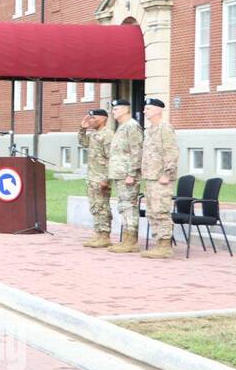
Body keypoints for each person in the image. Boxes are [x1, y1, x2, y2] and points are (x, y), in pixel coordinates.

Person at [140, 98, 181, 260]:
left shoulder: (165, 128)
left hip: (161, 178)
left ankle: (165, 246)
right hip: (150, 177)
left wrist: (167, 174)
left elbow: (171, 152)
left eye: (148, 108)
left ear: (158, 110)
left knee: (161, 210)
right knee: (151, 211)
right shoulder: (150, 130)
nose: (144, 111)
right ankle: (158, 243)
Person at [107, 98, 145, 254]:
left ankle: (131, 241)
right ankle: (127, 239)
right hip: (120, 173)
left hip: (127, 175)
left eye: (116, 109)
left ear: (124, 110)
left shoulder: (132, 127)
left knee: (129, 206)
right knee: (124, 206)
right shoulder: (122, 127)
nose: (113, 112)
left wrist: (132, 174)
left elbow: (137, 151)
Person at [77, 109, 114, 248]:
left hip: (101, 178)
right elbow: (83, 142)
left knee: (102, 206)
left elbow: (112, 158)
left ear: (103, 119)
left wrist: (106, 179)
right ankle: (98, 234)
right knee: (95, 207)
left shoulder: (108, 135)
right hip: (92, 176)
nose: (90, 120)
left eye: (93, 118)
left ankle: (105, 235)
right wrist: (82, 128)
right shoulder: (94, 134)